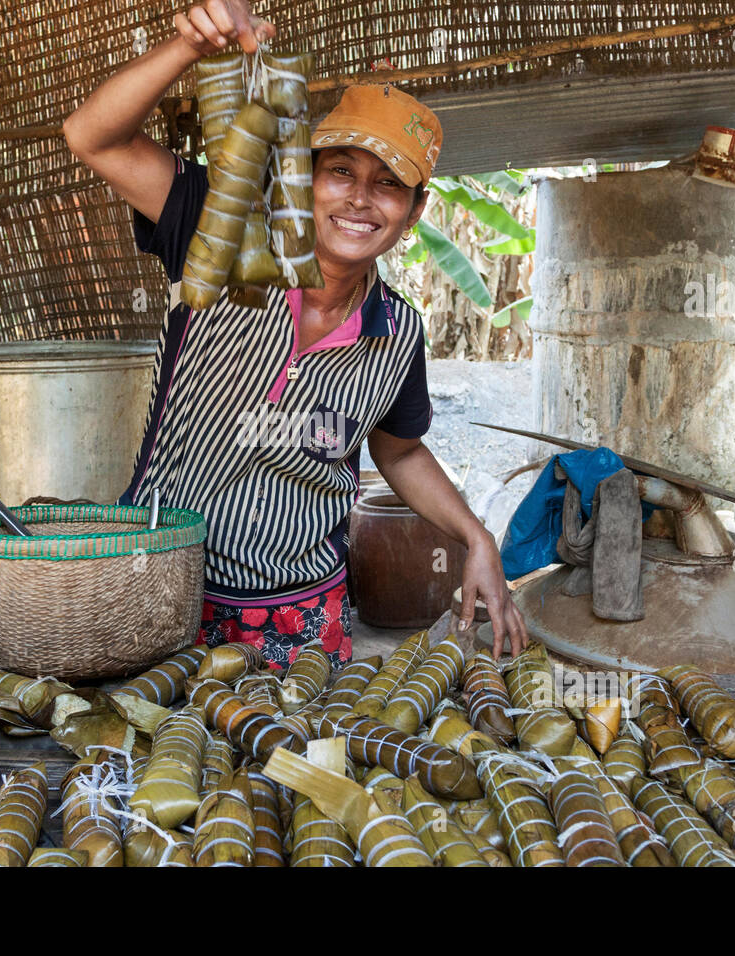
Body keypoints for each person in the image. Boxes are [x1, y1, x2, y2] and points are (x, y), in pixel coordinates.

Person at [64, 0, 527, 669]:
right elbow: (92, 137)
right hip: (163, 587)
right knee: (160, 762)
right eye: (340, 171)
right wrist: (186, 48)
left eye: (389, 184)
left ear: (416, 207)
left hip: (305, 614)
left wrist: (476, 538)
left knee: (294, 765)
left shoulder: (396, 332)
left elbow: (399, 453)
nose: (360, 199)